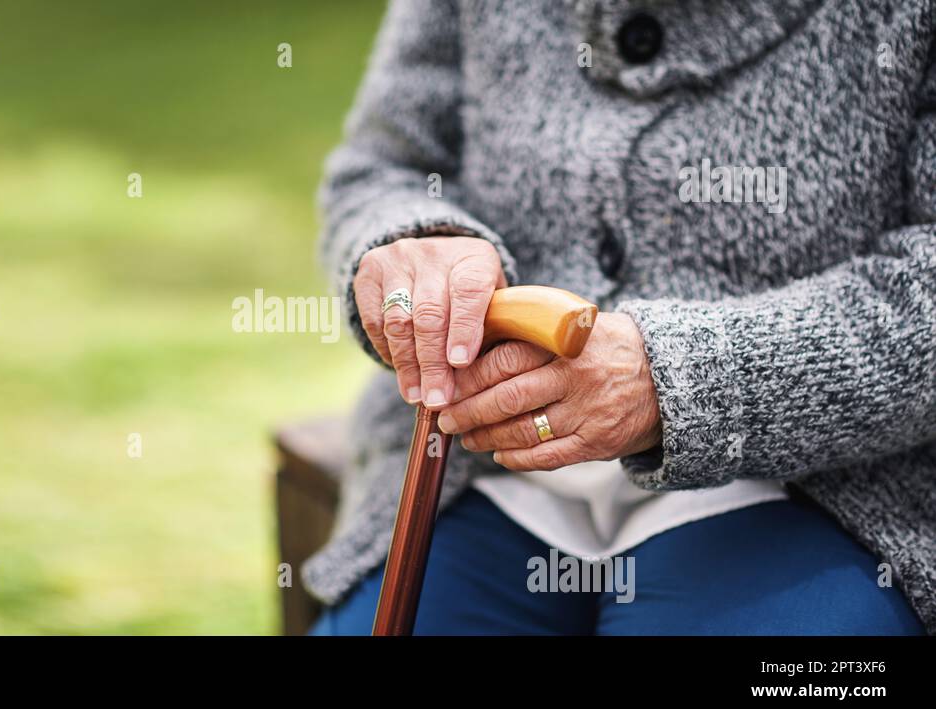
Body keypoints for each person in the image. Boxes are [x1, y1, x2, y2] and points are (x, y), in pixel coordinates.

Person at [304, 0, 934, 635]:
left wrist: (680, 383)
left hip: (817, 486)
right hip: (478, 474)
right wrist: (413, 245)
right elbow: (385, 167)